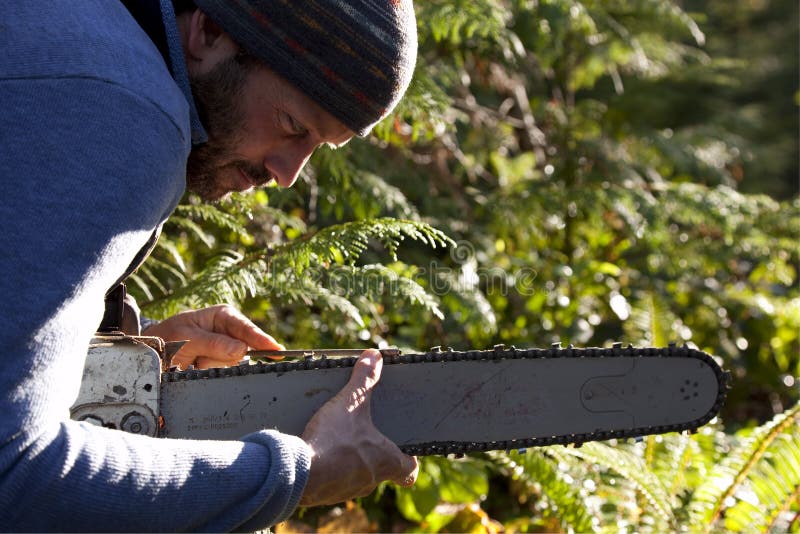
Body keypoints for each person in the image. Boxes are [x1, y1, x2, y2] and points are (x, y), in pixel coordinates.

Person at [0, 0, 419, 530]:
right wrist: (296, 476)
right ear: (211, 29)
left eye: (318, 146)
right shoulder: (123, 108)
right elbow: (11, 468)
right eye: (291, 123)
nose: (287, 173)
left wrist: (123, 353)